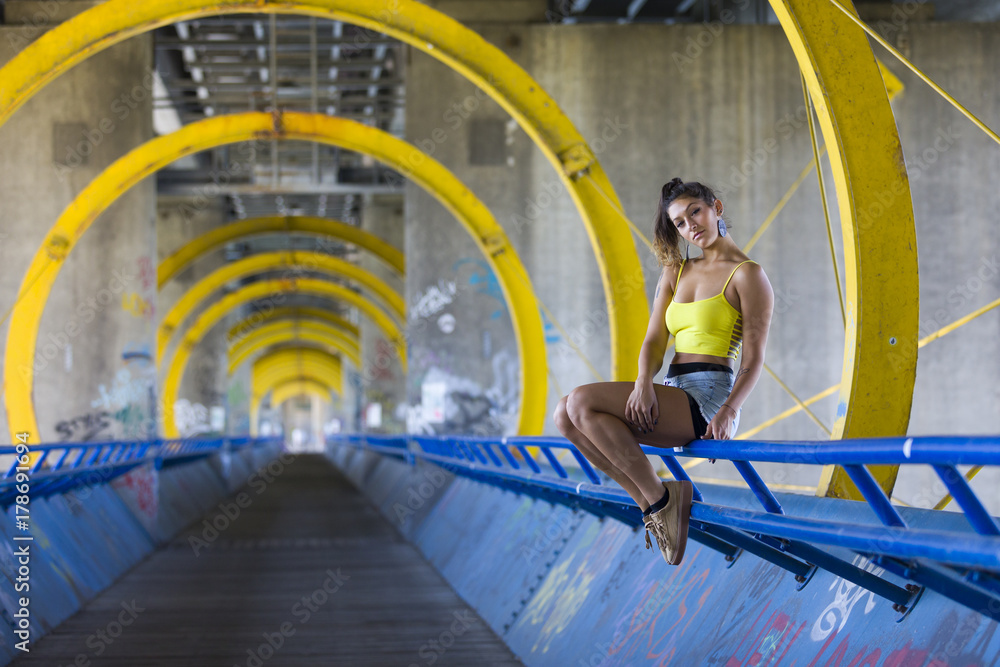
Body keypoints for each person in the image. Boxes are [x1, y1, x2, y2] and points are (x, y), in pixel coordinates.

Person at [553, 177, 774, 565]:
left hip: (708, 398)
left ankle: (662, 501)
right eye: (680, 223)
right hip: (670, 388)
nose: (691, 227)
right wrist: (643, 383)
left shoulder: (747, 275)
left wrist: (730, 411)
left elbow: (753, 360)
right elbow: (654, 340)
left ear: (716, 209)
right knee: (565, 416)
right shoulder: (675, 271)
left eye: (696, 213)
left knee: (583, 401)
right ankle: (652, 506)